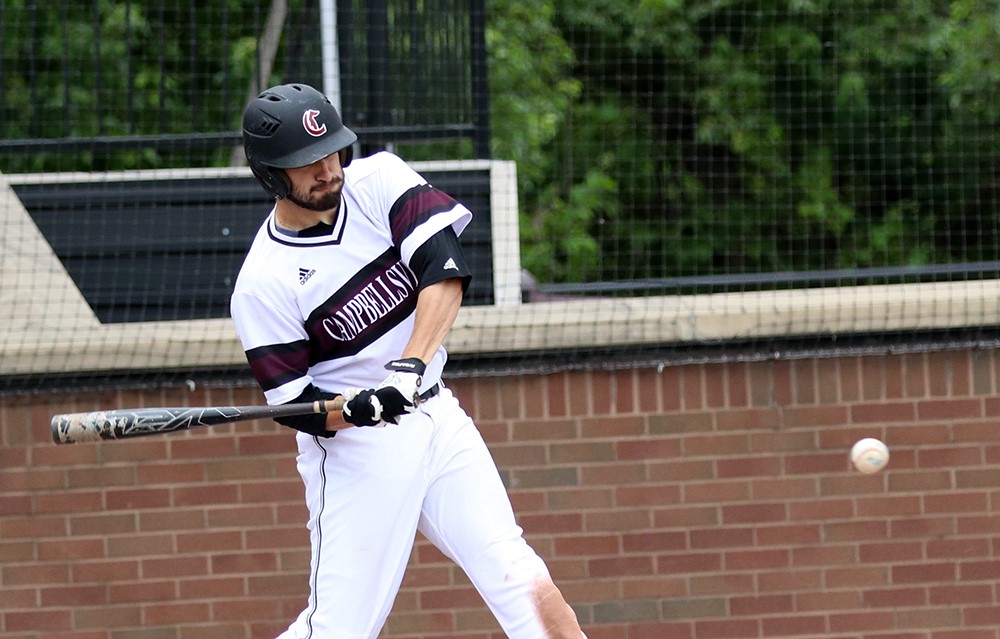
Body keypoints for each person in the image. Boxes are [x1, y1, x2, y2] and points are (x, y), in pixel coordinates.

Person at [232, 82, 586, 639]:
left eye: (331, 151)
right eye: (306, 163)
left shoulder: (380, 181)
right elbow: (296, 408)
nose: (327, 169)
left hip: (436, 417)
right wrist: (355, 410)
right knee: (340, 630)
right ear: (271, 174)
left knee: (520, 577)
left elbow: (443, 271)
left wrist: (409, 369)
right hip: (355, 454)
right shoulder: (261, 284)